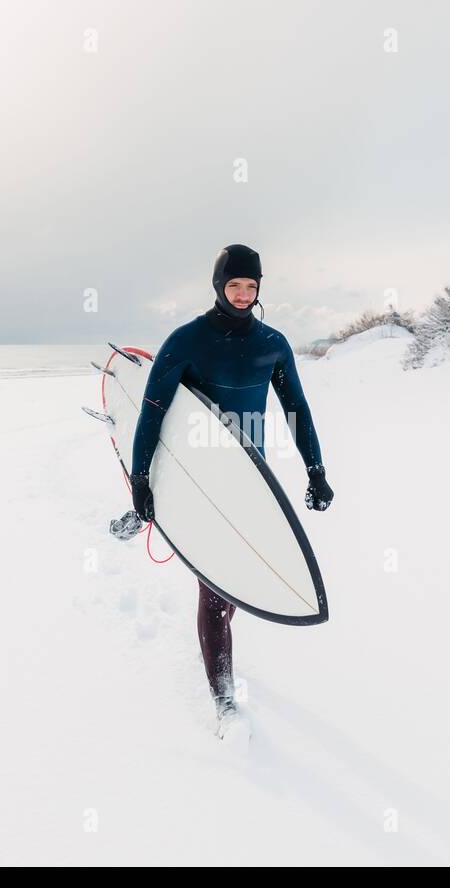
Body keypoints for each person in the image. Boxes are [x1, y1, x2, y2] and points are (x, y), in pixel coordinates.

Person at [127, 244, 334, 737]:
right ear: (218, 286)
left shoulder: (273, 344)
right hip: (199, 483)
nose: (243, 295)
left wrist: (316, 470)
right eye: (234, 285)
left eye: (251, 286)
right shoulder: (186, 341)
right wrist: (140, 478)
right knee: (218, 588)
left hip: (248, 481)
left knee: (237, 584)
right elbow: (152, 412)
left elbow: (296, 410)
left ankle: (137, 521)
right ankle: (224, 699)